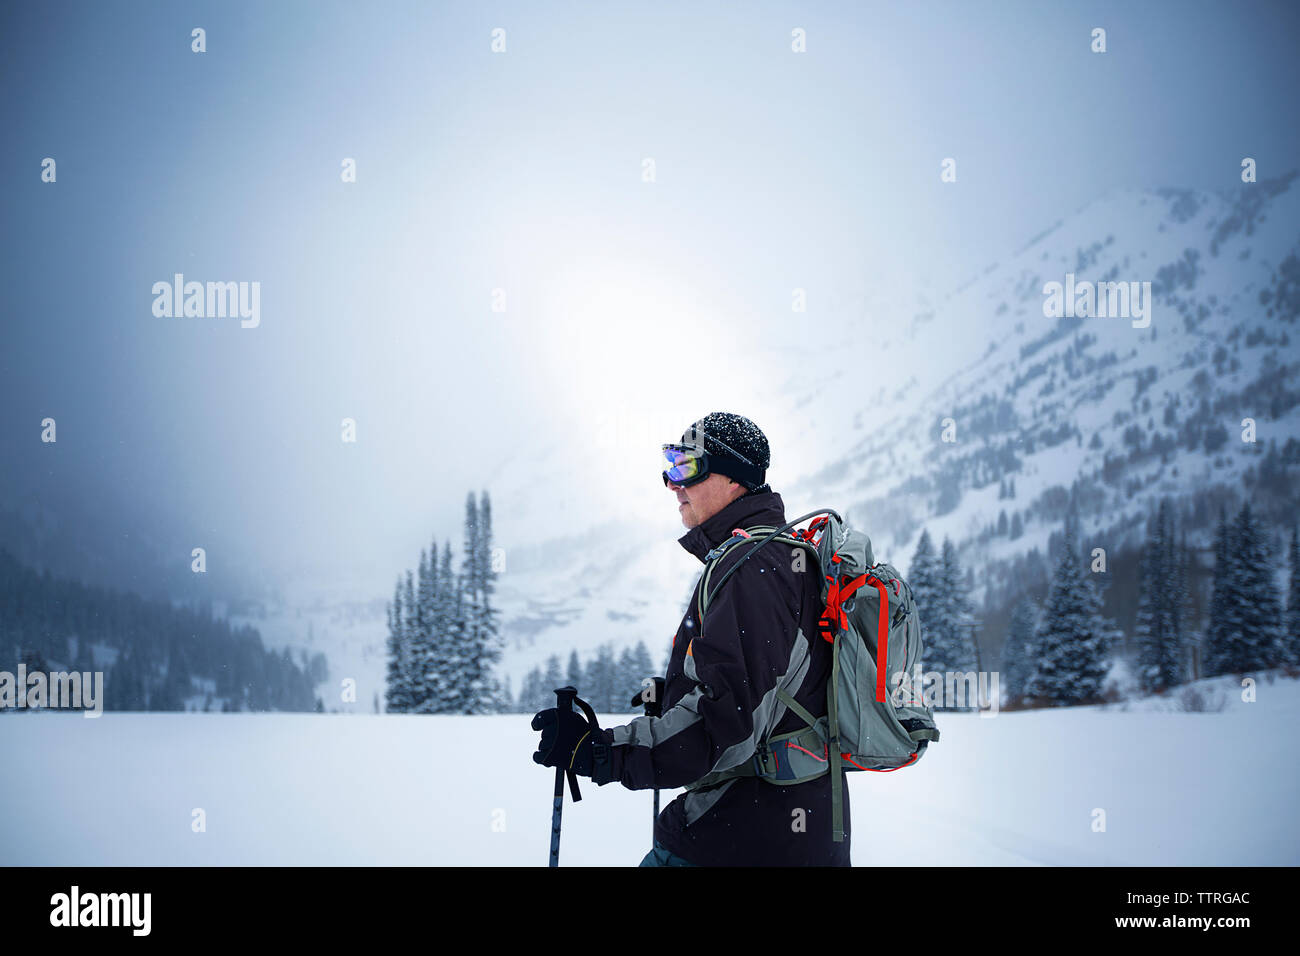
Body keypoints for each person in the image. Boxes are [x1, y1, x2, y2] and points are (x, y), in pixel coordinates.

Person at [531, 411, 850, 866]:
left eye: (687, 468)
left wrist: (599, 752)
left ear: (734, 477)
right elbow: (772, 691)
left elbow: (725, 723)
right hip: (795, 830)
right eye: (670, 467)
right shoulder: (778, 556)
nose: (673, 484)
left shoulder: (753, 567)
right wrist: (677, 694)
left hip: (740, 835)